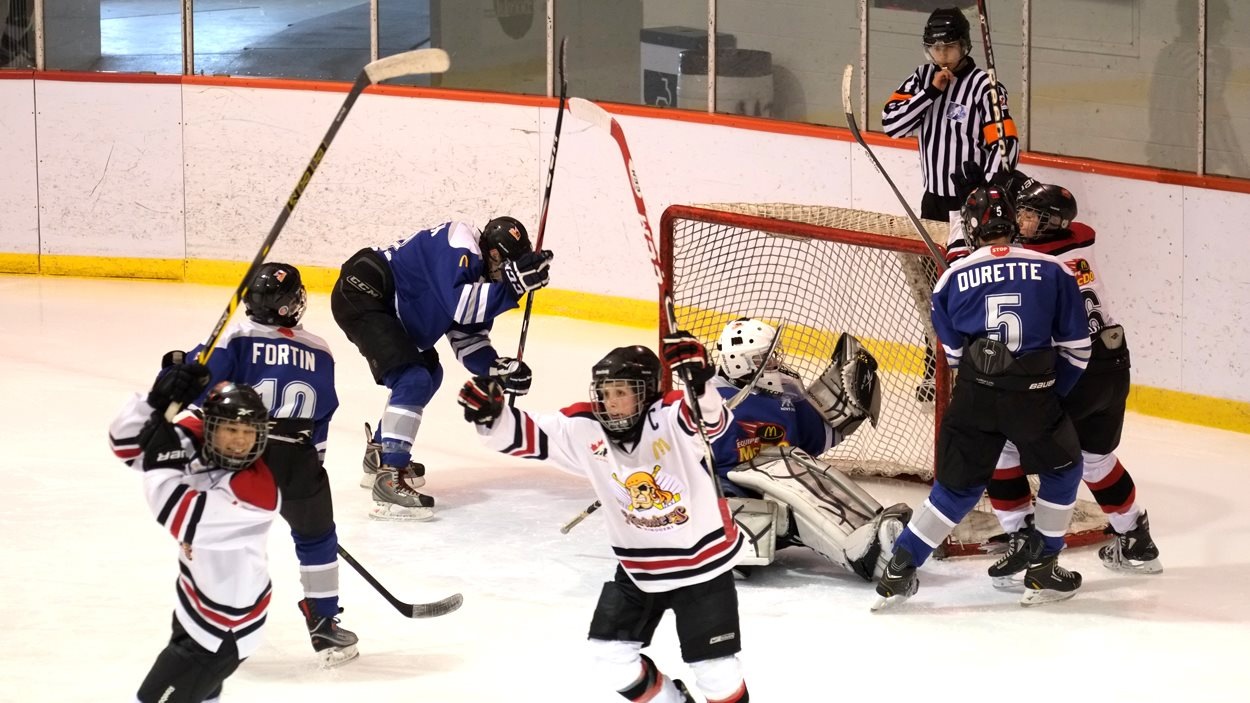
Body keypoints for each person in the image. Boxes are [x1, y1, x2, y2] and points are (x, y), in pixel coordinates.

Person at [456, 335, 749, 703]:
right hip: (638, 569)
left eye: (621, 392)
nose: (611, 402)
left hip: (702, 567)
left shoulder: (671, 416)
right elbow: (523, 433)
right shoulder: (585, 427)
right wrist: (491, 413)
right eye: (605, 393)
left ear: (647, 392)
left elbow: (710, 421)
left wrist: (700, 381)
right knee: (610, 658)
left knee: (717, 674)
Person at [873, 185, 1092, 610]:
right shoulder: (1053, 270)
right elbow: (1078, 350)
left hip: (976, 396)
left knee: (956, 490)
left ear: (972, 229)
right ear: (1013, 220)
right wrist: (1050, 394)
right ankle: (1044, 568)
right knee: (1064, 470)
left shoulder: (951, 279)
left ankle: (899, 568)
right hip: (1034, 397)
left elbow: (955, 357)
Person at [971, 180, 1162, 579]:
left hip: (1075, 370)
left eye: (1031, 215)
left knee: (1003, 447)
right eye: (1022, 213)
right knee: (1096, 459)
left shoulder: (1037, 261)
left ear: (1053, 222)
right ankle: (1136, 540)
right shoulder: (1080, 242)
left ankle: (1023, 539)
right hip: (1113, 364)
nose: (1022, 221)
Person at [188, 263, 359, 666]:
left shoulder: (234, 337)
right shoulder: (320, 349)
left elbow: (197, 391)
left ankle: (215, 625)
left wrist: (190, 362)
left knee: (231, 538)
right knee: (317, 539)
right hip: (299, 455)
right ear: (289, 305)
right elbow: (322, 416)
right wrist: (313, 471)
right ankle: (324, 621)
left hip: (242, 451)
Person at [331, 216, 553, 520]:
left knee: (430, 372)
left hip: (387, 306)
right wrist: (514, 288)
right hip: (365, 290)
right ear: (494, 254)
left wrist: (497, 368)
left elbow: (468, 339)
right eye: (506, 265)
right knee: (413, 379)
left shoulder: (484, 280)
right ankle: (388, 479)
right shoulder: (459, 242)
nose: (506, 273)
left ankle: (380, 453)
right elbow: (461, 304)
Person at [109, 362, 277, 703]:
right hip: (194, 604)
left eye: (249, 431)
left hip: (222, 629)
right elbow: (125, 444)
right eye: (231, 429)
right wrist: (155, 401)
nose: (240, 441)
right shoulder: (196, 438)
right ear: (210, 427)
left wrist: (162, 461)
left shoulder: (257, 494)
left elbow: (176, 513)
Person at [882, 6, 1021, 401]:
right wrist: (931, 92)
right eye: (936, 48)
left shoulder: (985, 87)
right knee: (936, 290)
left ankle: (980, 369)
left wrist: (985, 190)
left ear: (965, 46)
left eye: (950, 48)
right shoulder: (921, 78)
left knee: (973, 288)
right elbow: (892, 124)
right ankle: (936, 367)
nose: (942, 56)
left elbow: (1006, 147)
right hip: (934, 204)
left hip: (973, 206)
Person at [706, 317, 911, 581]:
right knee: (782, 474)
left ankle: (873, 526)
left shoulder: (784, 391)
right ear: (739, 363)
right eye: (764, 359)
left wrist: (846, 408)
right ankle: (863, 556)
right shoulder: (710, 402)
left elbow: (815, 439)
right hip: (731, 491)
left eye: (772, 356)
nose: (774, 363)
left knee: (801, 470)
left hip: (775, 483)